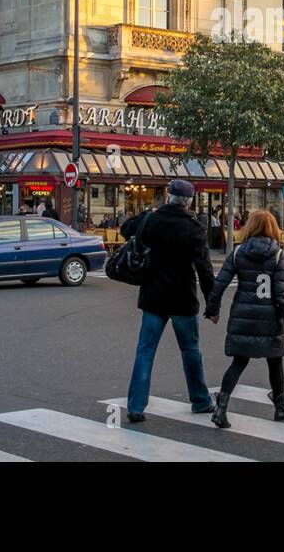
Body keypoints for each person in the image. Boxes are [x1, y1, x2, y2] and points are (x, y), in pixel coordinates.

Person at [122, 179, 215, 422]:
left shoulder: (152, 220)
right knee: (191, 351)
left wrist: (146, 213)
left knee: (145, 350)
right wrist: (212, 304)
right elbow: (204, 268)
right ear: (189, 202)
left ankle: (135, 406)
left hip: (153, 296)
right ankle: (200, 400)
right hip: (184, 297)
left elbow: (125, 230)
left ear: (167, 197)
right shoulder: (194, 227)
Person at [204, 209, 284, 428]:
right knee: (275, 362)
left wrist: (213, 309)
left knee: (239, 361)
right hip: (270, 316)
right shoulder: (276, 254)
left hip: (243, 314)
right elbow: (282, 295)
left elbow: (219, 283)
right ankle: (280, 407)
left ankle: (221, 408)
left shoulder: (238, 253)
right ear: (272, 227)